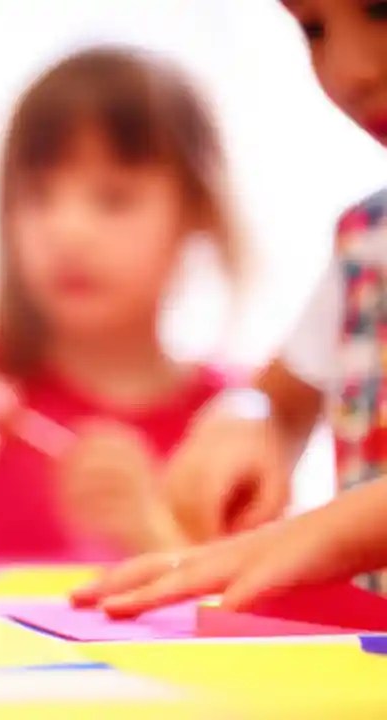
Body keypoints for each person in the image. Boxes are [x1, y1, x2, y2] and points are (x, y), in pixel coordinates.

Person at [73, 0, 387, 617]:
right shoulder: (367, 244)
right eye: (313, 28)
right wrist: (246, 419)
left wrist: (324, 532)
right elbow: (280, 398)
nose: (349, 71)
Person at [0, 47, 243, 567]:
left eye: (113, 198)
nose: (67, 231)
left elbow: (256, 613)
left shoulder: (231, 417)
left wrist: (151, 532)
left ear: (197, 212)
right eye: (38, 196)